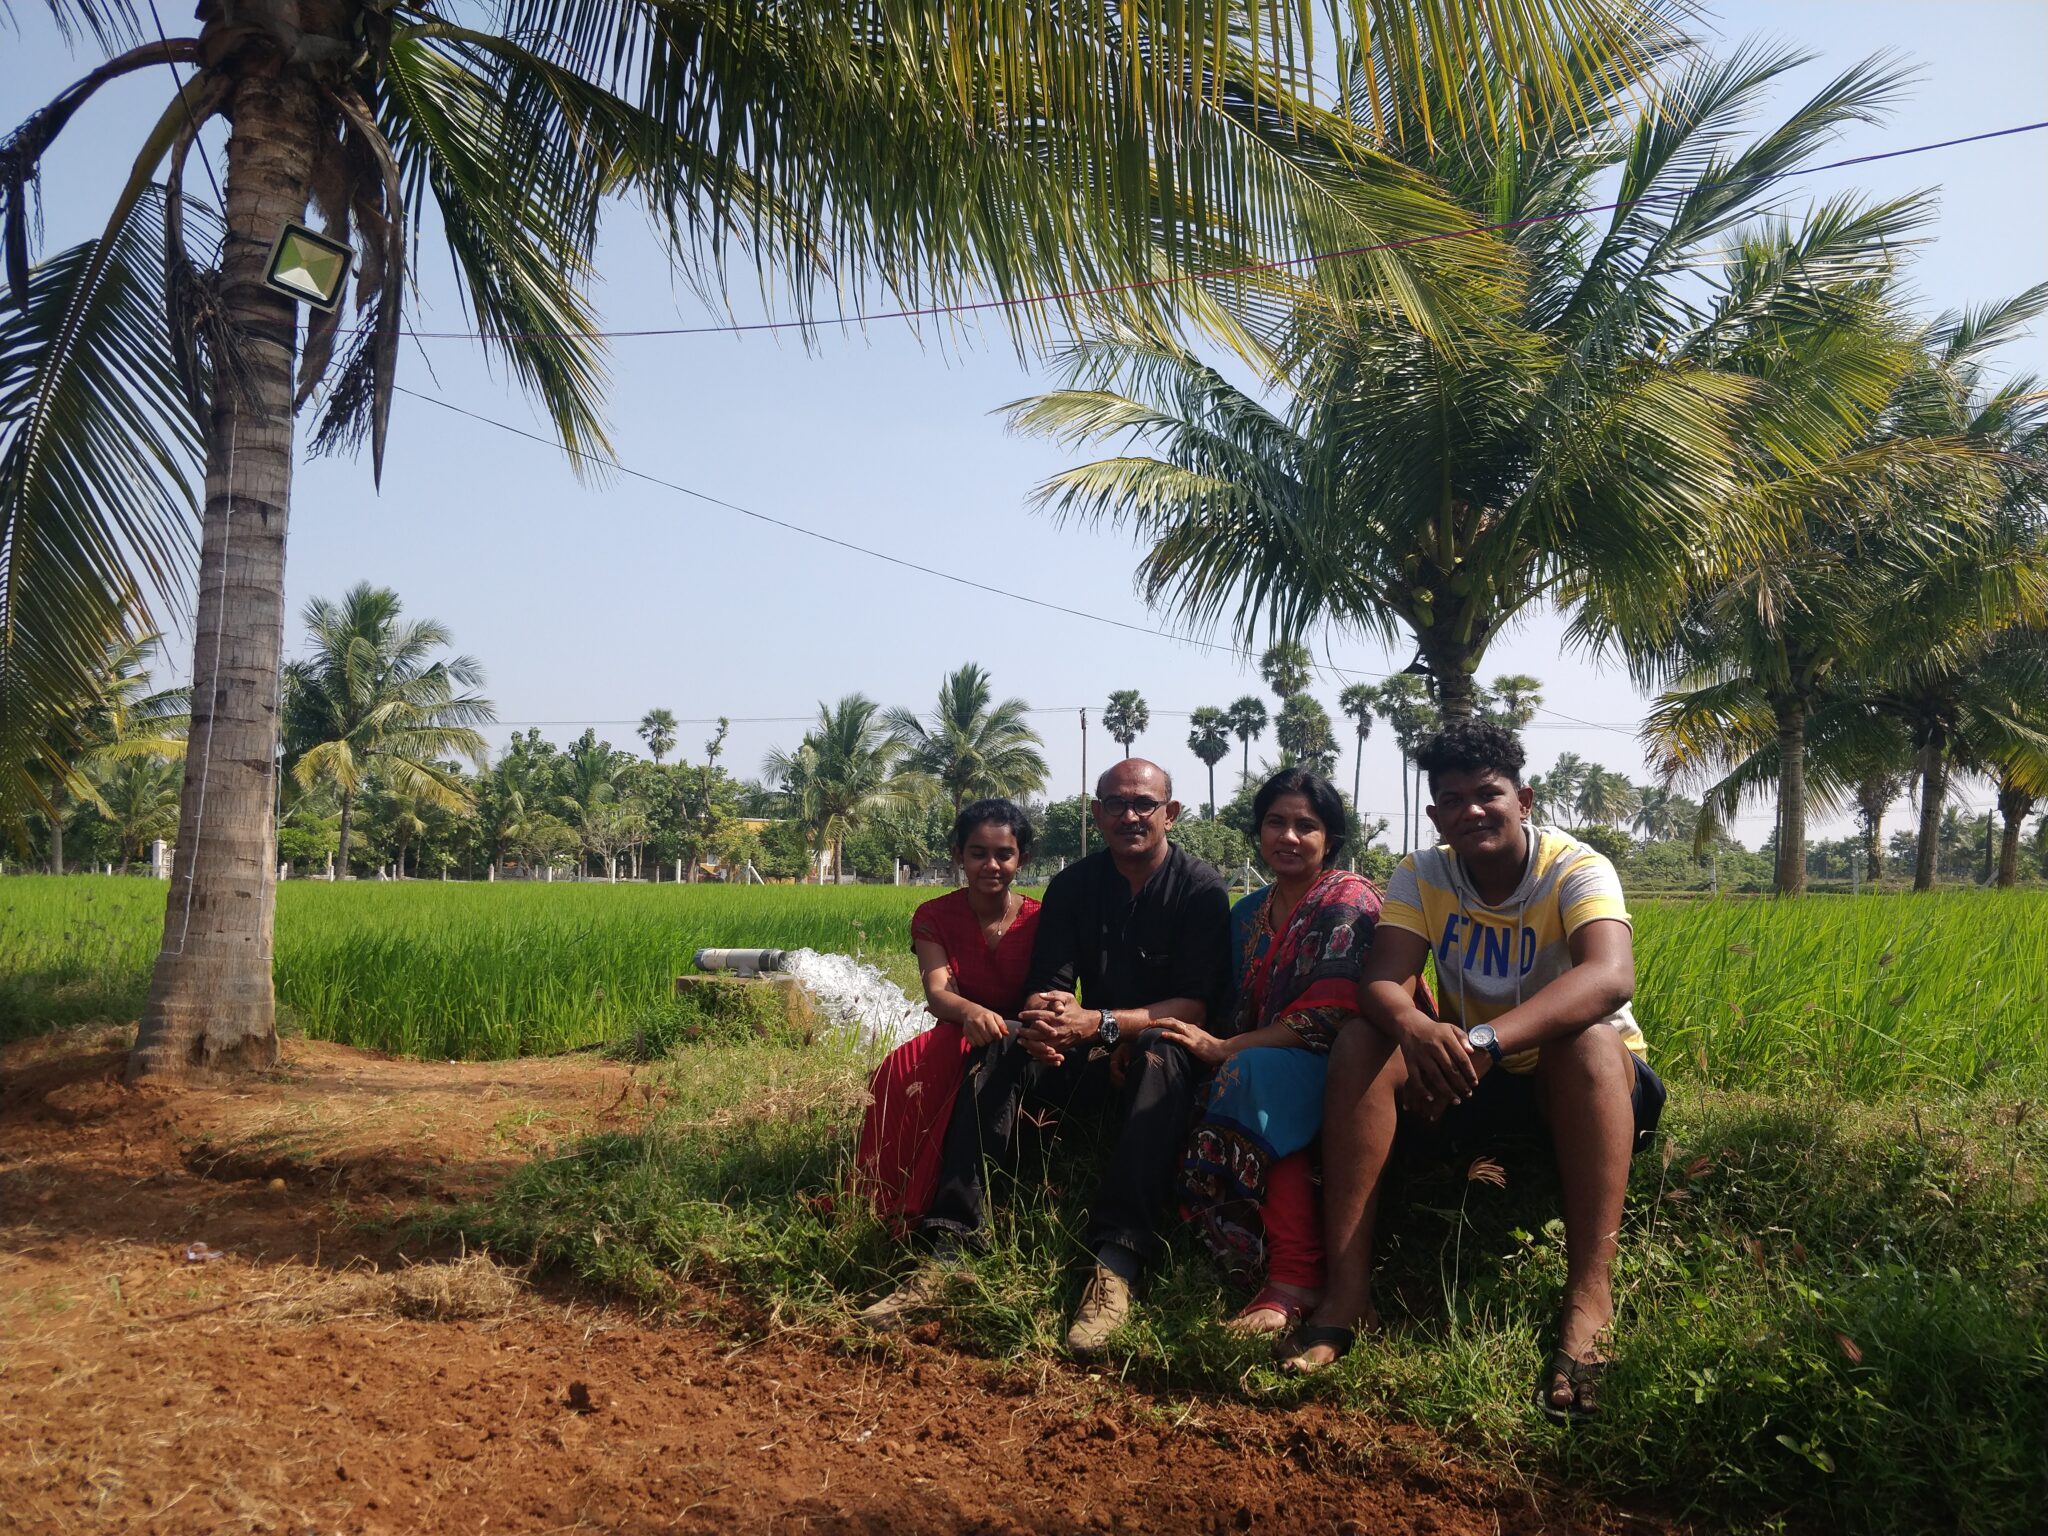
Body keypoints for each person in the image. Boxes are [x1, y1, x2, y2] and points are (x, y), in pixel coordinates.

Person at [1285, 720, 1665, 1424]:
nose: (1472, 811)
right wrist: (1421, 1028)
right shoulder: (1424, 872)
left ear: (1523, 799)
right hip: (1474, 1078)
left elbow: (1610, 978)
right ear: (1436, 816)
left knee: (1584, 1042)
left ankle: (1589, 1303)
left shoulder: (1576, 868)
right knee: (1364, 1041)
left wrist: (1483, 1038)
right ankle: (1346, 1293)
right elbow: (1382, 983)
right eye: (1452, 800)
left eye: (1487, 794)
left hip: (1586, 1085)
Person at [860, 758, 1231, 1356]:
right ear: (1096, 813)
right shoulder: (1075, 887)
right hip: (1090, 1049)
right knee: (1005, 1036)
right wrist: (1045, 1021)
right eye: (1115, 804)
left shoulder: (1200, 888)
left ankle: (1115, 1263)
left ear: (1171, 812)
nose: (1130, 816)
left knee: (1162, 1049)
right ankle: (952, 1248)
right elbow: (1050, 979)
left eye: (1144, 804)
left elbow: (1194, 1004)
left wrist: (1108, 1025)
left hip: (1156, 1050)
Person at [1162, 769, 1389, 1338]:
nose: (1288, 836)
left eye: (1305, 826)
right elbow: (1223, 1005)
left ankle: (1296, 1274)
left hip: (1348, 1063)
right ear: (1258, 832)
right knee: (1183, 1071)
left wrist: (1226, 1048)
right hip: (1260, 1057)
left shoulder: (1349, 898)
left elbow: (1335, 1010)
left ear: (1329, 839)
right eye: (1276, 823)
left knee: (1250, 1072)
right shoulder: (1246, 914)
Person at [850, 799, 1041, 1226]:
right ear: (959, 856)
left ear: (1021, 859)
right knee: (898, 1069)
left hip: (1020, 1041)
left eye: (1004, 854)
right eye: (978, 853)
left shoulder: (1040, 920)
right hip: (958, 1032)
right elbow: (938, 993)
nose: (990, 865)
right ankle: (887, 1190)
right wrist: (972, 1011)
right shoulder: (934, 915)